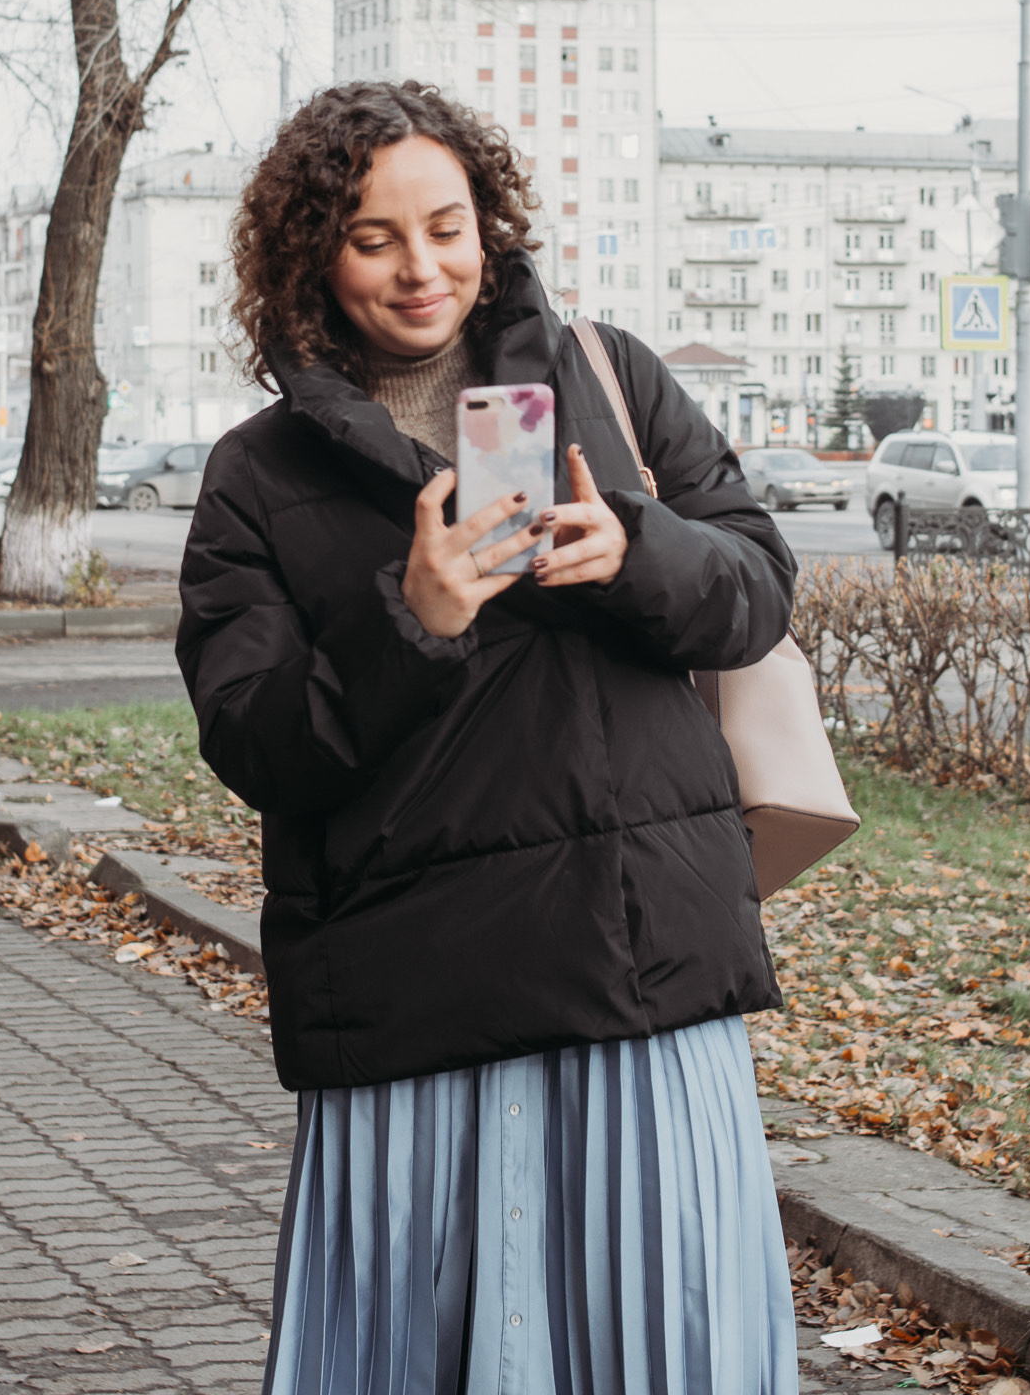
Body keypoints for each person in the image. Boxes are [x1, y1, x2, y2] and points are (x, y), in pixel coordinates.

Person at [176, 79, 799, 1395]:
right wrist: (416, 620)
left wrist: (637, 553)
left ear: (490, 222)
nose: (423, 270)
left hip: (636, 979)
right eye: (374, 238)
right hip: (413, 1004)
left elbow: (755, 592)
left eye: (448, 227)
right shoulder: (260, 476)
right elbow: (252, 741)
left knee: (656, 1349)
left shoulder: (612, 378)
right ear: (311, 256)